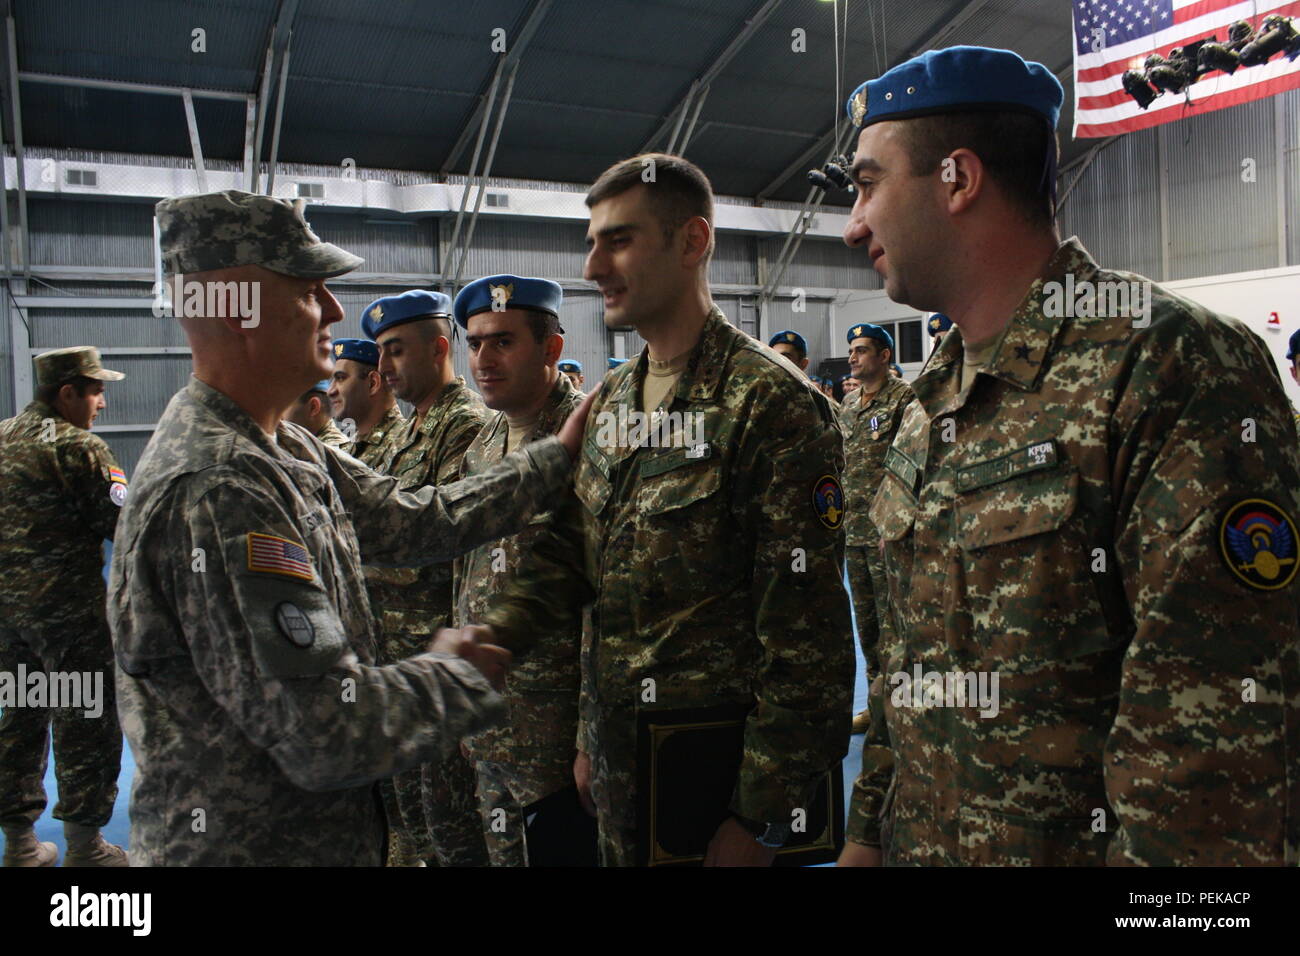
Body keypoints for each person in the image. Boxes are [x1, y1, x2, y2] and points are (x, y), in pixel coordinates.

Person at [836, 46, 1300, 867]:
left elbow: (1219, 735)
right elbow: (909, 667)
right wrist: (870, 827)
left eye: (869, 184)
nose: (853, 223)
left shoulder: (1168, 364)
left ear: (958, 179)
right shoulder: (926, 403)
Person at [110, 189, 593, 866]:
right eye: (310, 289)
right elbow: (325, 731)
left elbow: (418, 521)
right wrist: (461, 673)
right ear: (238, 305)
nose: (335, 310)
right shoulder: (217, 486)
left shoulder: (286, 447)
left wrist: (552, 457)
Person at [464, 154, 853, 866]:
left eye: (617, 240)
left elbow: (809, 643)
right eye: (592, 243)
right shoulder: (611, 402)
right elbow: (582, 565)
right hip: (618, 771)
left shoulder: (771, 405)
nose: (592, 267)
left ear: (692, 242)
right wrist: (580, 730)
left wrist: (759, 819)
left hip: (714, 788)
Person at [452, 274, 596, 866]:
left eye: (503, 342)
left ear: (552, 348)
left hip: (555, 736)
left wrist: (592, 738)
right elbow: (466, 572)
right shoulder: (482, 443)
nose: (484, 359)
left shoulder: (588, 440)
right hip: (490, 722)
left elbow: (604, 601)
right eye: (476, 342)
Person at [364, 289, 492, 867]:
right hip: (395, 661)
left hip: (435, 660)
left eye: (395, 351)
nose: (384, 367)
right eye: (380, 354)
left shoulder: (462, 426)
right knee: (412, 816)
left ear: (439, 347)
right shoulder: (401, 430)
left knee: (452, 826)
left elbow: (439, 540)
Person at [0, 347, 129, 868]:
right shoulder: (80, 448)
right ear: (67, 393)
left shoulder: (2, 437)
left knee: (19, 717)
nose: (101, 403)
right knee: (86, 720)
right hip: (69, 617)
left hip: (8, 617)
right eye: (95, 391)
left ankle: (20, 846)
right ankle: (84, 847)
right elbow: (123, 527)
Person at [839, 324, 915, 737]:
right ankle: (874, 706)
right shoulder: (849, 405)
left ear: (885, 356)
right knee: (867, 626)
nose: (853, 357)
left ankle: (899, 714)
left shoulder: (905, 401)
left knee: (895, 626)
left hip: (889, 534)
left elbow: (911, 464)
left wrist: (897, 522)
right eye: (851, 350)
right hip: (854, 532)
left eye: (862, 350)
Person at [328, 337, 404, 466]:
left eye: (340, 378)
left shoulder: (405, 444)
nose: (330, 391)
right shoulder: (346, 452)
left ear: (373, 383)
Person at [285, 379, 348, 448]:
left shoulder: (329, 452)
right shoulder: (311, 444)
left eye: (283, 406)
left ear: (313, 407)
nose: (280, 417)